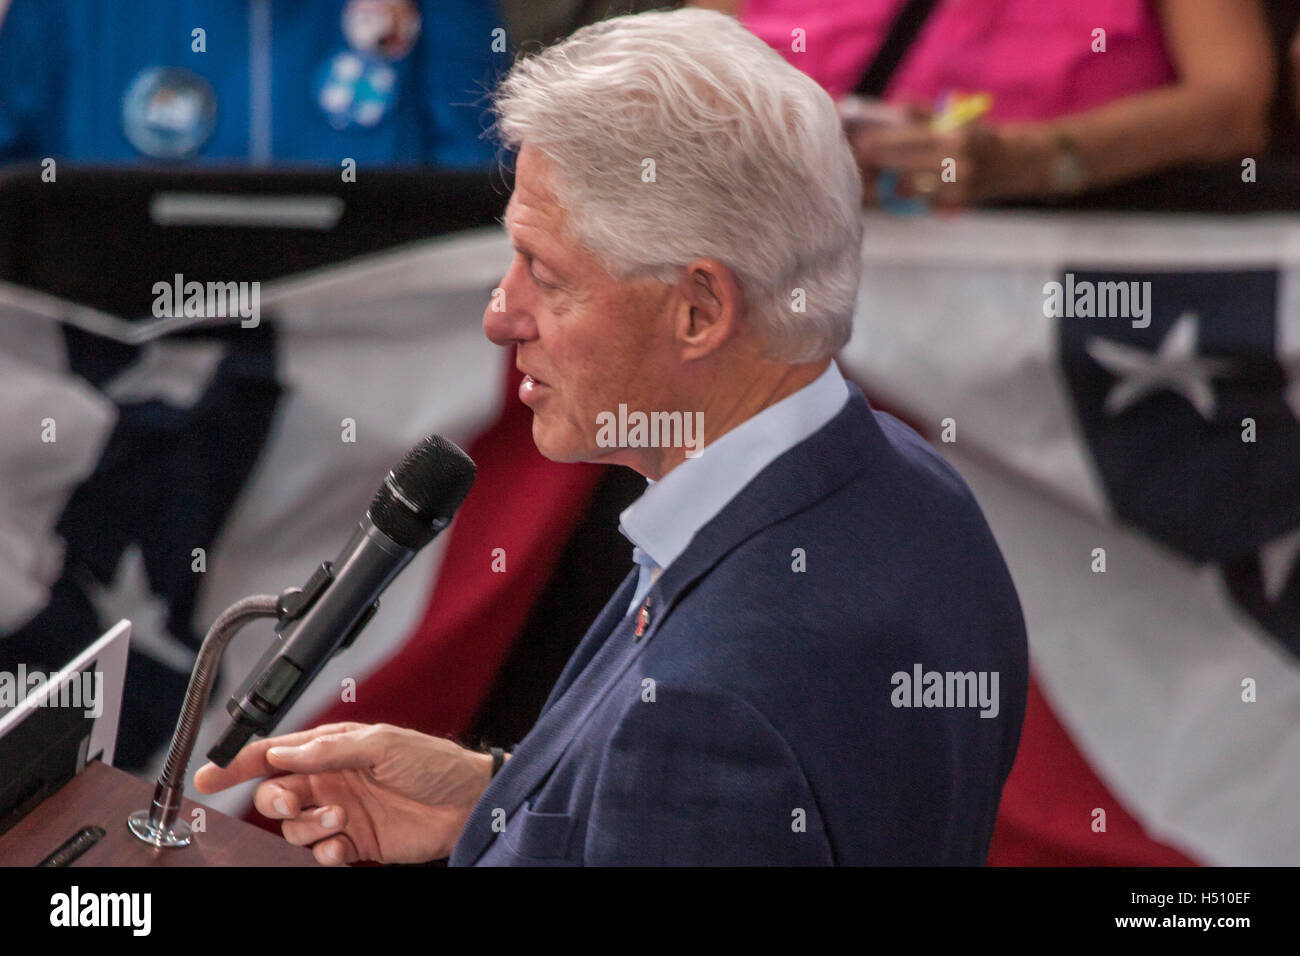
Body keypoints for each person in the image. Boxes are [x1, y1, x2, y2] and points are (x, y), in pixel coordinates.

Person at [195, 8, 1028, 866]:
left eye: (547, 276)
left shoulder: (705, 715)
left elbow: (700, 779)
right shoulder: (918, 492)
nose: (499, 315)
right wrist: (498, 801)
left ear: (699, 311)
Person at [694, 0, 1275, 207]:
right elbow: (691, 100)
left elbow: (1235, 108)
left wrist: (1030, 160)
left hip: (1052, 347)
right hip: (792, 341)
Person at [0, 0, 505, 167]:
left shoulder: (442, 14)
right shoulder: (62, 12)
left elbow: (479, 212)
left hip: (370, 379)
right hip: (119, 381)